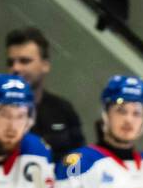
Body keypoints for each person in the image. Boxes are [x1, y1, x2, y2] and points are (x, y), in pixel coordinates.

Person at [5, 26, 85, 163]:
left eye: (25, 61)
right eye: (11, 62)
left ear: (45, 65)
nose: (16, 68)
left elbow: (78, 162)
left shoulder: (64, 110)